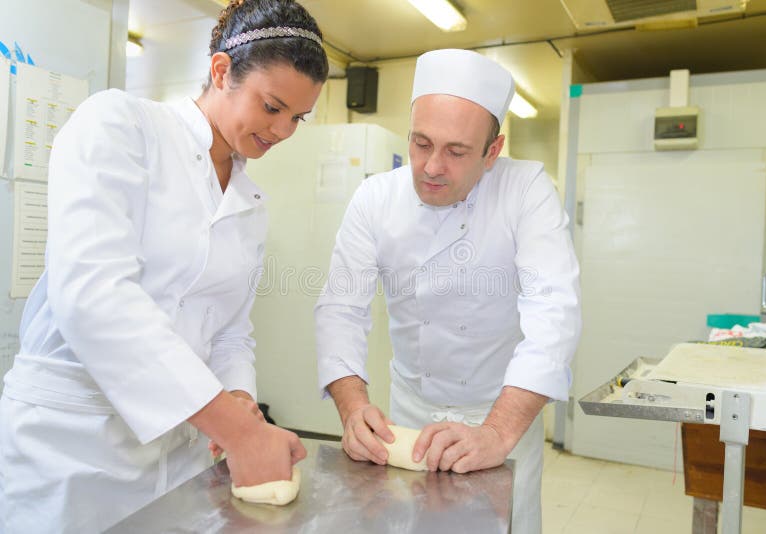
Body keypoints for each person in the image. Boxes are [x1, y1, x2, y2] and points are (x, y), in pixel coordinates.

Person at [0, 1, 328, 531]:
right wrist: (242, 432)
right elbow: (95, 297)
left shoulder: (250, 201)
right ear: (221, 71)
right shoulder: (121, 126)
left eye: (298, 117)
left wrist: (240, 402)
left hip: (179, 455)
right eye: (272, 107)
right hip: (71, 448)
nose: (284, 130)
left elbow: (230, 332)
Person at [315, 48, 581, 533]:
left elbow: (554, 315)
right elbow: (340, 308)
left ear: (492, 151)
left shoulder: (526, 191)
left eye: (456, 152)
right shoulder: (376, 199)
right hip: (409, 415)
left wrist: (497, 434)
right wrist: (353, 408)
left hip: (498, 415)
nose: (431, 166)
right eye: (420, 143)